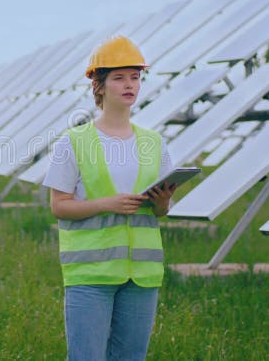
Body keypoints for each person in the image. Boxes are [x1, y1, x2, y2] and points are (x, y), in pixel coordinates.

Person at [42, 36, 178, 361]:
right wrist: (107, 204)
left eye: (135, 77)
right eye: (119, 78)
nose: (129, 84)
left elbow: (161, 210)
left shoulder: (154, 143)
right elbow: (58, 205)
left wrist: (161, 204)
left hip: (142, 275)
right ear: (99, 86)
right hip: (90, 273)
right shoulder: (73, 142)